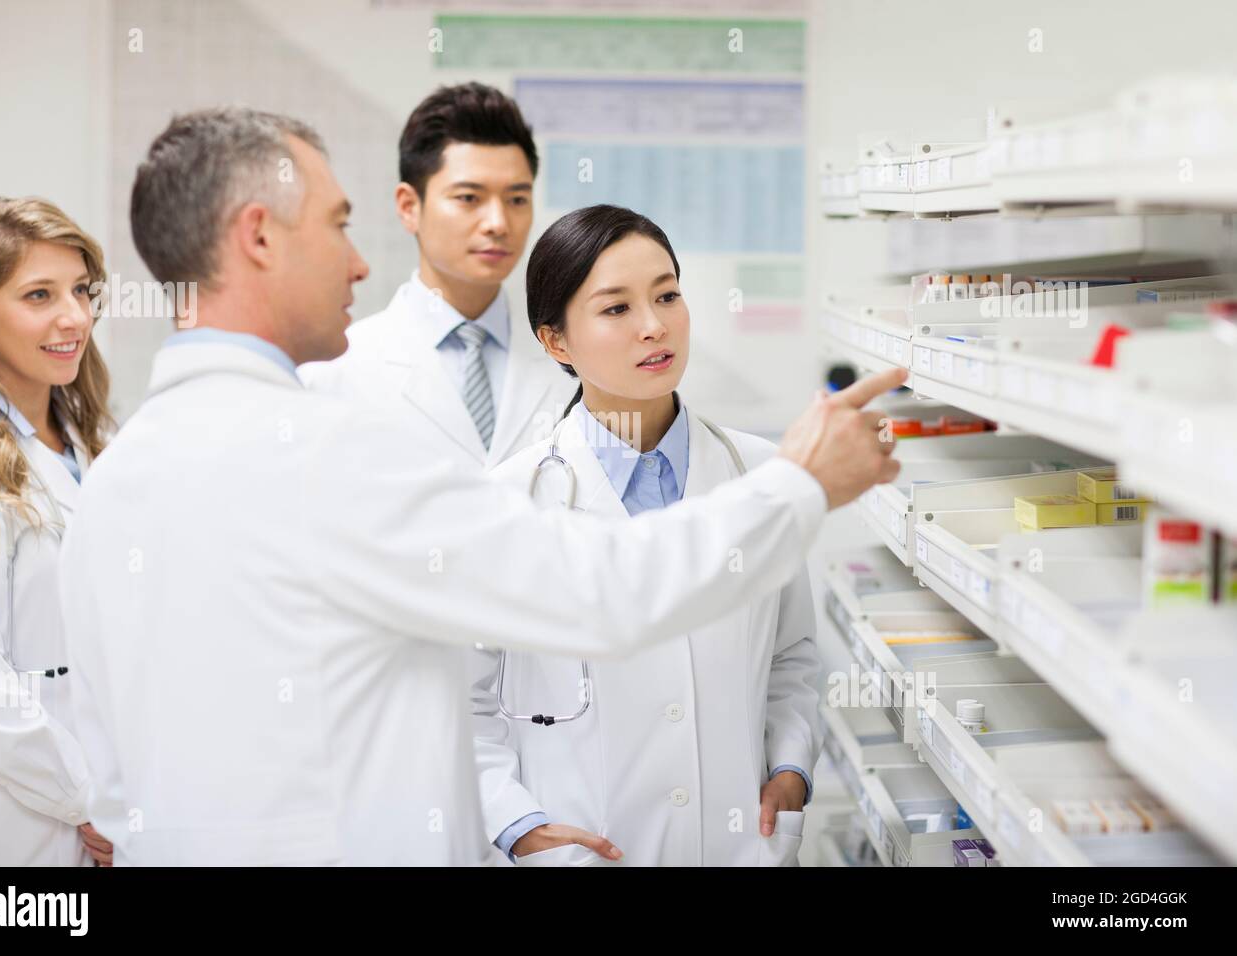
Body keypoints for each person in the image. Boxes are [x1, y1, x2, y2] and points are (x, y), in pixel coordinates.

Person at [58, 107, 904, 865]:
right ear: (259, 237)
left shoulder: (112, 482)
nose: (358, 263)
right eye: (337, 224)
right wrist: (800, 484)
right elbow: (606, 590)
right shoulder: (327, 453)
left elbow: (104, 776)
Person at [471, 206, 822, 867]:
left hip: (741, 846)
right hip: (589, 849)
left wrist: (791, 772)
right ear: (556, 342)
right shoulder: (508, 504)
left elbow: (792, 659)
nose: (654, 325)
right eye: (616, 308)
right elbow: (465, 701)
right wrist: (518, 824)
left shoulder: (761, 475)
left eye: (667, 294)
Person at [0, 197, 114, 865]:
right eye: (39, 294)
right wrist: (87, 796)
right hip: (4, 830)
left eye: (81, 291)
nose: (73, 317)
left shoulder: (97, 445)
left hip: (105, 817)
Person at [301, 83, 575, 469]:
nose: (498, 223)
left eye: (517, 199)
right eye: (469, 198)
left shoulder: (577, 367)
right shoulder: (333, 370)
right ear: (409, 207)